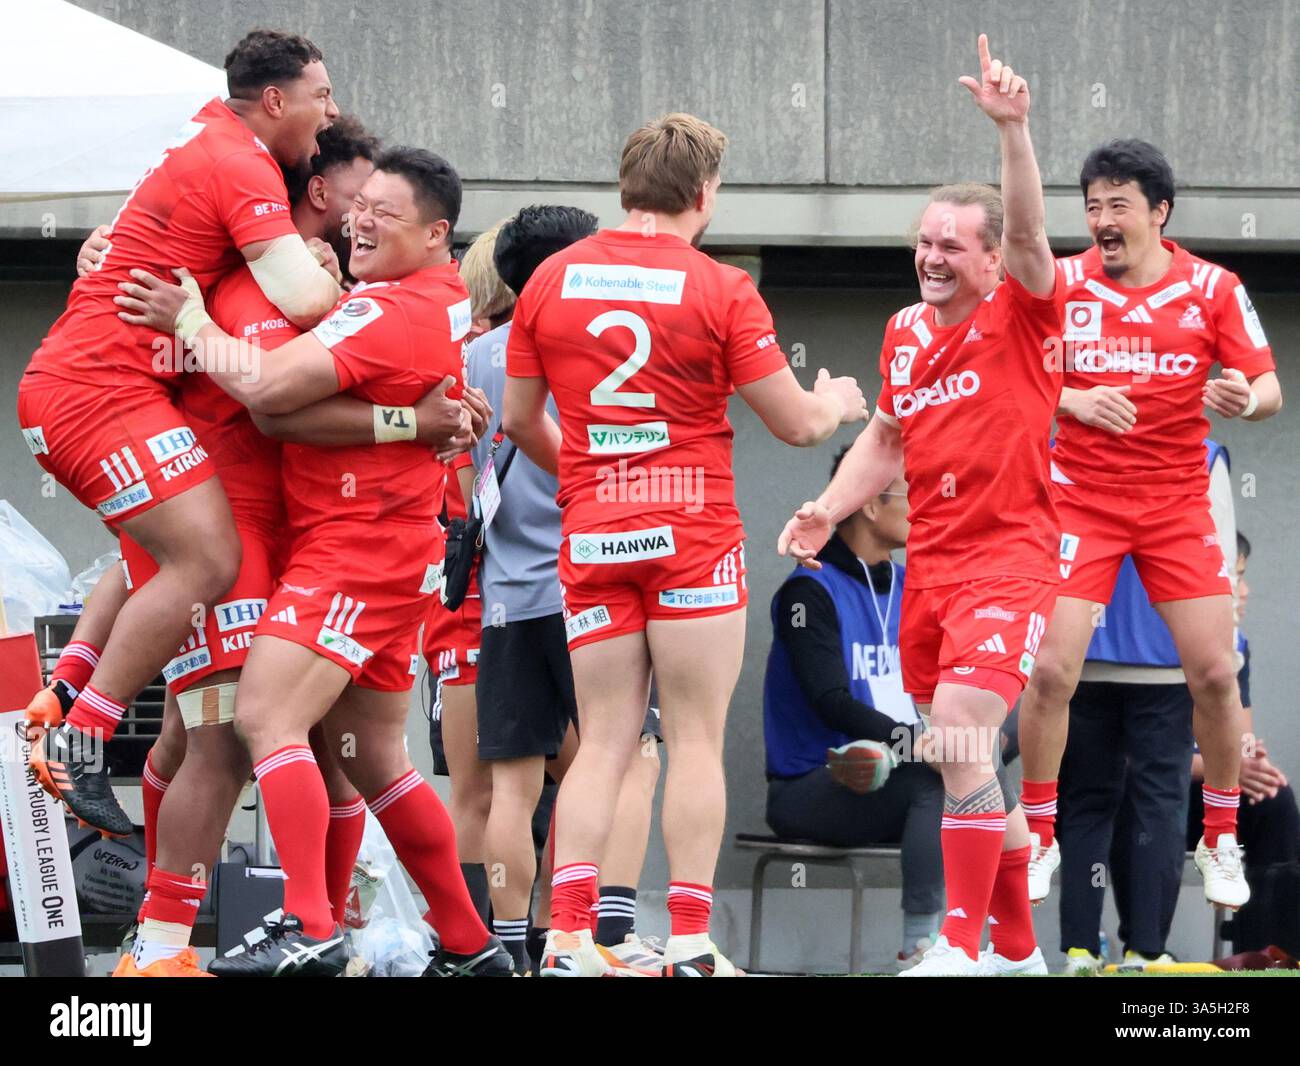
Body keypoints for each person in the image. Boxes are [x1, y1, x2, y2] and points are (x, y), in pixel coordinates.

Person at [75, 121, 480, 977]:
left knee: (246, 730)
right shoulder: (394, 291)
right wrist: (112, 251)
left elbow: (266, 394)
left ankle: (296, 929)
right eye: (357, 204)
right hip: (328, 542)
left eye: (382, 210)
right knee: (346, 756)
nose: (359, 222)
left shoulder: (361, 300)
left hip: (341, 549)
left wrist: (185, 311)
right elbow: (275, 406)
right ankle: (466, 945)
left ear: (435, 232)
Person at [505, 113, 866, 977]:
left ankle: (564, 941)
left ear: (626, 184)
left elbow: (520, 419)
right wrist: (841, 402)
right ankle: (695, 943)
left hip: (597, 529)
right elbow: (792, 423)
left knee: (603, 742)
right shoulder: (721, 286)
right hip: (693, 531)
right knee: (695, 740)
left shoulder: (551, 279)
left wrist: (589, 477)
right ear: (705, 194)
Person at [18, 30, 344, 836]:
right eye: (321, 95)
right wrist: (358, 304)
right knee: (207, 563)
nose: (328, 112)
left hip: (95, 389)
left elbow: (149, 240)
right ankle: (81, 736)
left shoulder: (205, 140)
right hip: (98, 392)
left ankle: (66, 701)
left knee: (177, 567)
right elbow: (302, 306)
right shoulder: (242, 165)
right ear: (274, 102)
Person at [780, 34, 1059, 976]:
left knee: (964, 739)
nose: (931, 257)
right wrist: (825, 507)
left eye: (952, 245)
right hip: (933, 569)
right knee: (962, 761)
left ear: (988, 261)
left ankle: (960, 943)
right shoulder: (902, 331)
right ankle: (1021, 949)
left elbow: (1027, 234)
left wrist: (1013, 133)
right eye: (924, 241)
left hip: (1011, 557)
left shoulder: (1021, 308)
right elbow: (888, 440)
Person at [1018, 139, 1283, 911]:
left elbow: (1269, 387)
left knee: (1215, 672)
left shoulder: (1214, 288)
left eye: (1118, 205)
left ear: (1159, 213)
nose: (1102, 219)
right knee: (1049, 672)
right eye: (1093, 205)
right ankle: (1039, 836)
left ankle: (1222, 838)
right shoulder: (1060, 283)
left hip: (1175, 503)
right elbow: (1013, 375)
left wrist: (1245, 397)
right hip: (1078, 499)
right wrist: (1069, 402)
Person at [469, 204, 665, 976]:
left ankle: (513, 947)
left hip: (505, 594)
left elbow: (464, 472)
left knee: (512, 785)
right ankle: (608, 933)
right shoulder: (602, 342)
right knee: (628, 754)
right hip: (593, 584)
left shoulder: (476, 355)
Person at [1055, 440, 1233, 975]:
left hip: (1080, 653)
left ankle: (1081, 952)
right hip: (1168, 656)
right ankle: (1145, 951)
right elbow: (1216, 559)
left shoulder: (1060, 438)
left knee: (1085, 802)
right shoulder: (1202, 451)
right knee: (1159, 804)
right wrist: (1223, 661)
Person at [763, 451, 942, 965]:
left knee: (986, 752)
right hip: (813, 784)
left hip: (904, 767)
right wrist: (917, 744)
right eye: (913, 492)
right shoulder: (809, 591)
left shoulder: (914, 586)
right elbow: (830, 700)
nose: (925, 504)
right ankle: (922, 946)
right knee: (931, 777)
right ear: (869, 505)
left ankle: (993, 935)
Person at [1186, 532, 1300, 950]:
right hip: (1145, 795)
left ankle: (1269, 954)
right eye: (1236, 577)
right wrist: (1223, 766)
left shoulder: (1236, 649)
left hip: (1210, 794)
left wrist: (1255, 764)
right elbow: (1125, 760)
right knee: (1152, 802)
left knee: (1274, 800)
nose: (1246, 590)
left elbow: (1241, 740)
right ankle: (1143, 948)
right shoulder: (1148, 645)